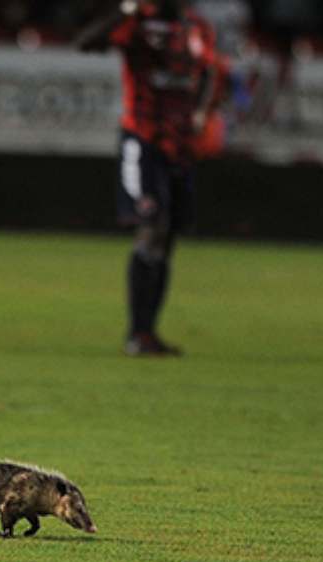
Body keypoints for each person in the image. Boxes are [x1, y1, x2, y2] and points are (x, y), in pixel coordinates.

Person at [75, 0, 219, 356]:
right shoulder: (138, 22)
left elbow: (210, 72)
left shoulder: (196, 26)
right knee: (152, 227)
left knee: (168, 236)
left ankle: (148, 332)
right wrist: (127, 9)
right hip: (144, 141)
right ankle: (137, 333)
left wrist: (201, 111)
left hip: (180, 145)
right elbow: (88, 42)